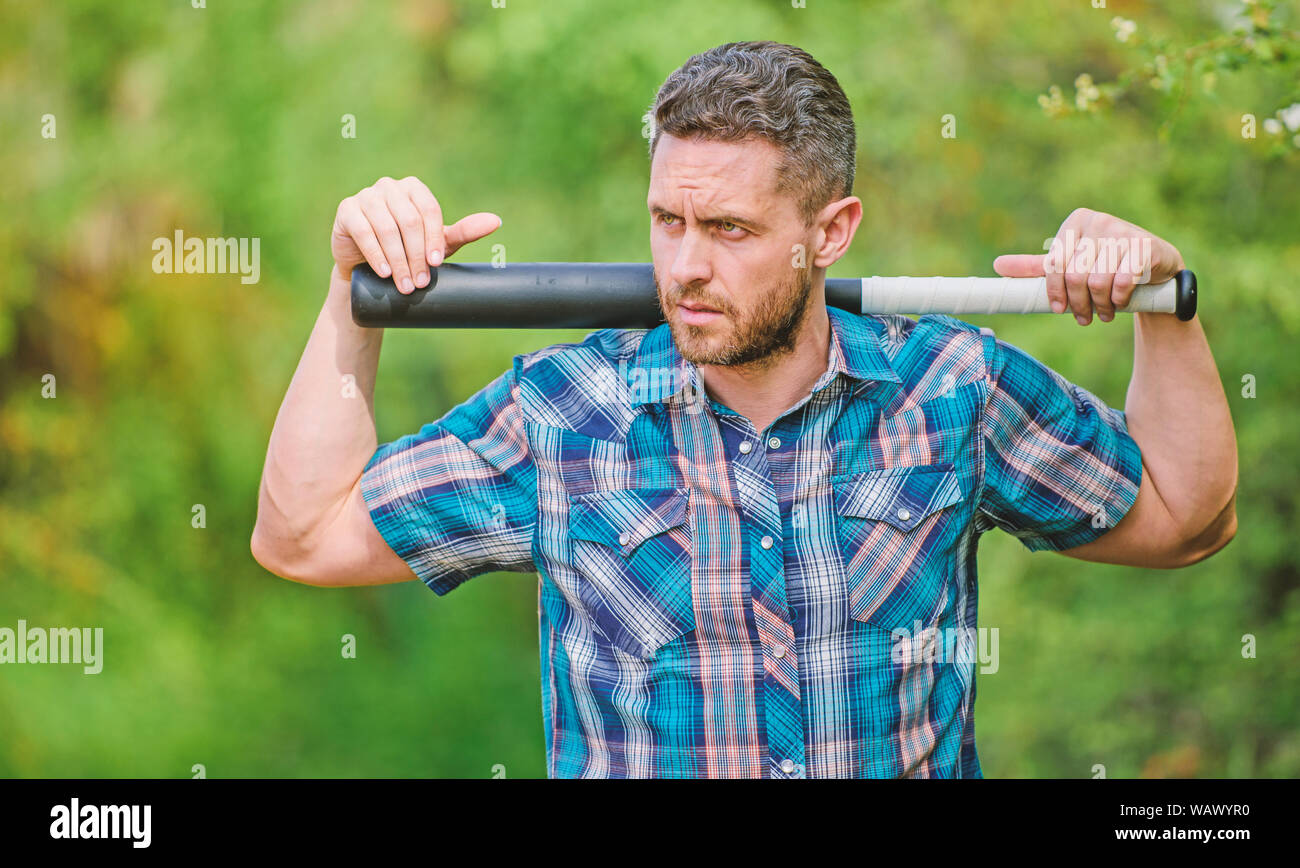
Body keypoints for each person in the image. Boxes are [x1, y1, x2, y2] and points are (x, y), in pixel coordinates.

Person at [250, 40, 1237, 778]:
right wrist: (351, 296)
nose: (684, 266)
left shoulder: (948, 389)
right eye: (667, 221)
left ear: (830, 231)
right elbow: (303, 536)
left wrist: (1165, 305)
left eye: (728, 229)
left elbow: (1186, 522)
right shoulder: (565, 411)